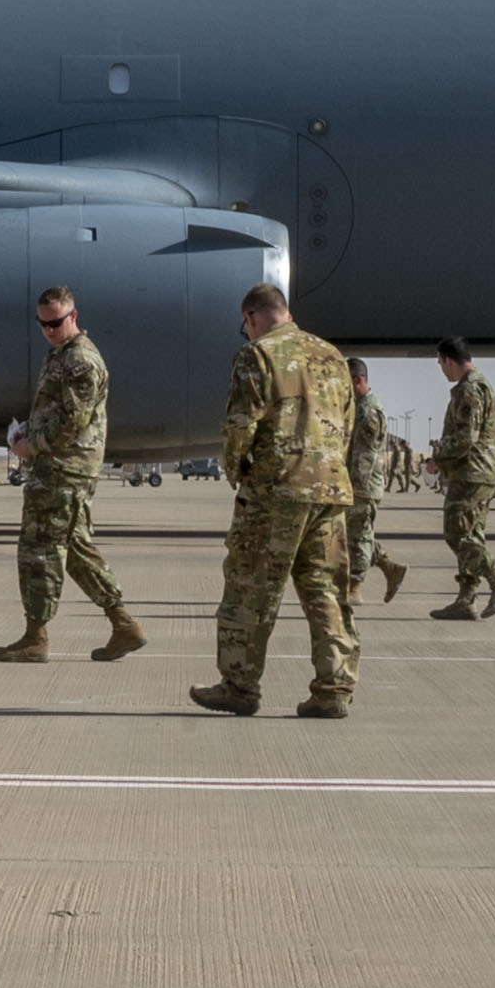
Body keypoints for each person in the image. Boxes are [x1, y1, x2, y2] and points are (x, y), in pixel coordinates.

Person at [193, 284, 358, 719]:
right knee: (326, 592)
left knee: (250, 588)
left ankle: (239, 686)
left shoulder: (257, 355)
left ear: (251, 319)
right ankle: (334, 688)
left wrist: (237, 473)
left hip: (276, 491)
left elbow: (240, 426)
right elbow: (347, 426)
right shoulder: (332, 356)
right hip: (328, 490)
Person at [0, 287, 147, 663]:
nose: (48, 330)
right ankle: (124, 625)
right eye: (42, 324)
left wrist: (34, 445)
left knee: (39, 550)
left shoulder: (80, 361)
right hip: (57, 465)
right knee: (74, 549)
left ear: (73, 316)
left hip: (64, 469)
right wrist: (29, 432)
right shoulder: (60, 355)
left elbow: (73, 421)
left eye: (55, 323)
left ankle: (35, 637)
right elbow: (56, 413)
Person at [425, 340, 495, 619]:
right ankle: (466, 599)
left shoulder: (469, 389)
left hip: (472, 472)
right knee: (471, 535)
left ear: (447, 360)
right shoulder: (479, 385)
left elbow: (467, 437)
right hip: (479, 471)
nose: (443, 372)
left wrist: (439, 459)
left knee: (456, 532)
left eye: (441, 365)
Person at [342, 357, 409, 607]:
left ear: (358, 380)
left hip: (363, 486)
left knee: (357, 537)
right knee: (358, 533)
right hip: (355, 483)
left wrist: (353, 486)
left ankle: (354, 587)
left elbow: (366, 456)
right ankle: (390, 567)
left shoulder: (369, 411)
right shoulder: (358, 406)